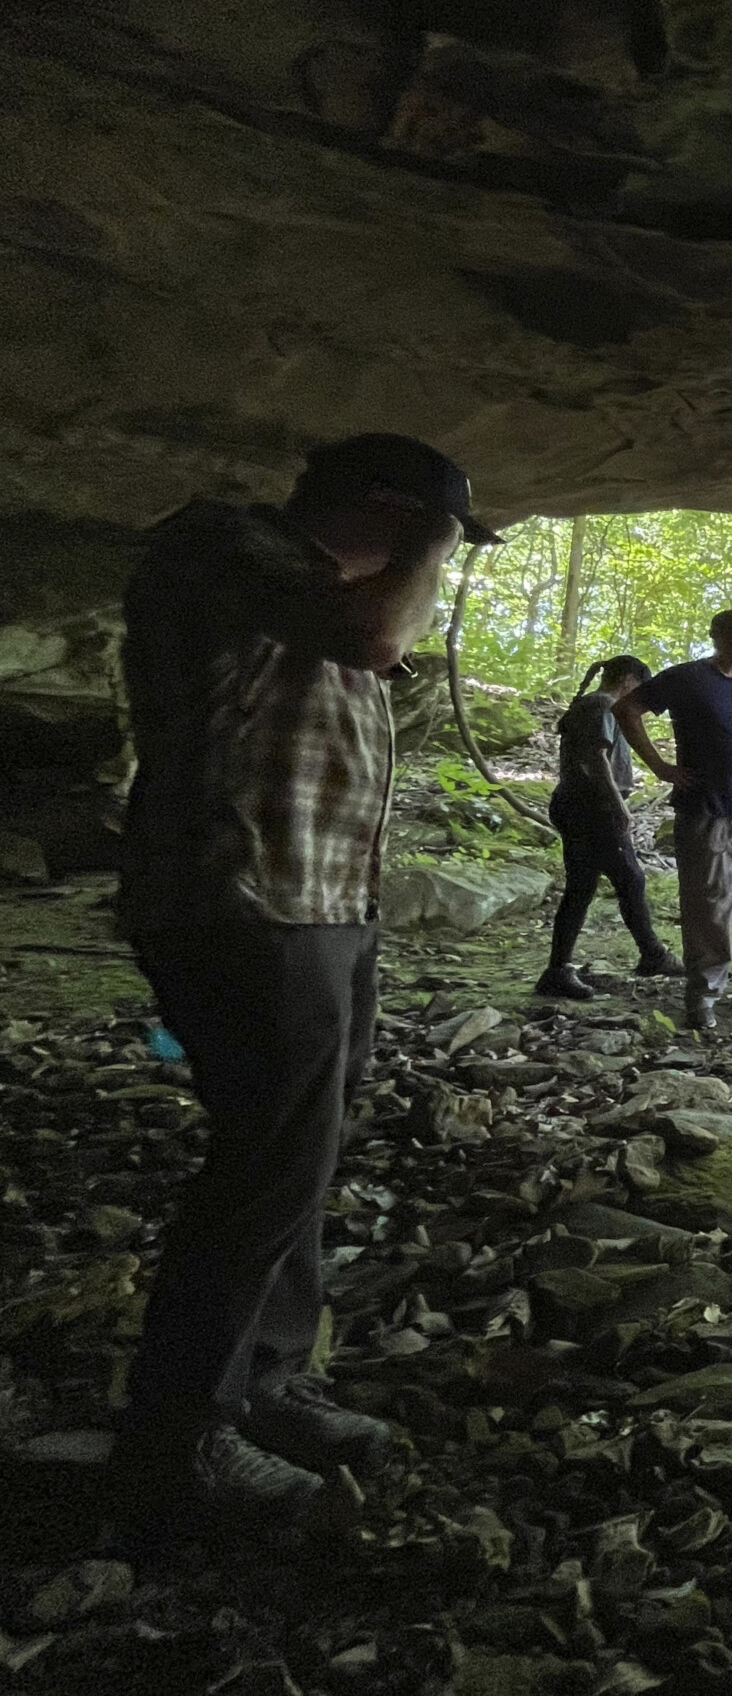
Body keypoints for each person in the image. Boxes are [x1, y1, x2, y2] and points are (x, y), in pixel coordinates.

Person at [113, 432, 495, 1544]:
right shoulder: (220, 546)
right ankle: (179, 1438)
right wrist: (433, 532)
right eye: (440, 534)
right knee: (264, 1162)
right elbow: (375, 636)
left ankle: (268, 1383)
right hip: (241, 896)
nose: (445, 559)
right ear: (385, 506)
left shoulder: (310, 593)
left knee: (300, 1152)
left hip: (321, 904)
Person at [616, 608, 732, 1031]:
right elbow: (627, 710)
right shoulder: (685, 678)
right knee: (708, 906)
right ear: (718, 636)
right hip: (705, 811)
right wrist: (660, 766)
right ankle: (705, 994)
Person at [536, 654, 681, 999]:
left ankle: (558, 970)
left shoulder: (594, 706)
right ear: (628, 679)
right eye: (640, 688)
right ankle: (653, 956)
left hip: (580, 805)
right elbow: (596, 759)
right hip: (591, 807)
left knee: (583, 887)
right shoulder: (602, 706)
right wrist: (619, 807)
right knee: (629, 878)